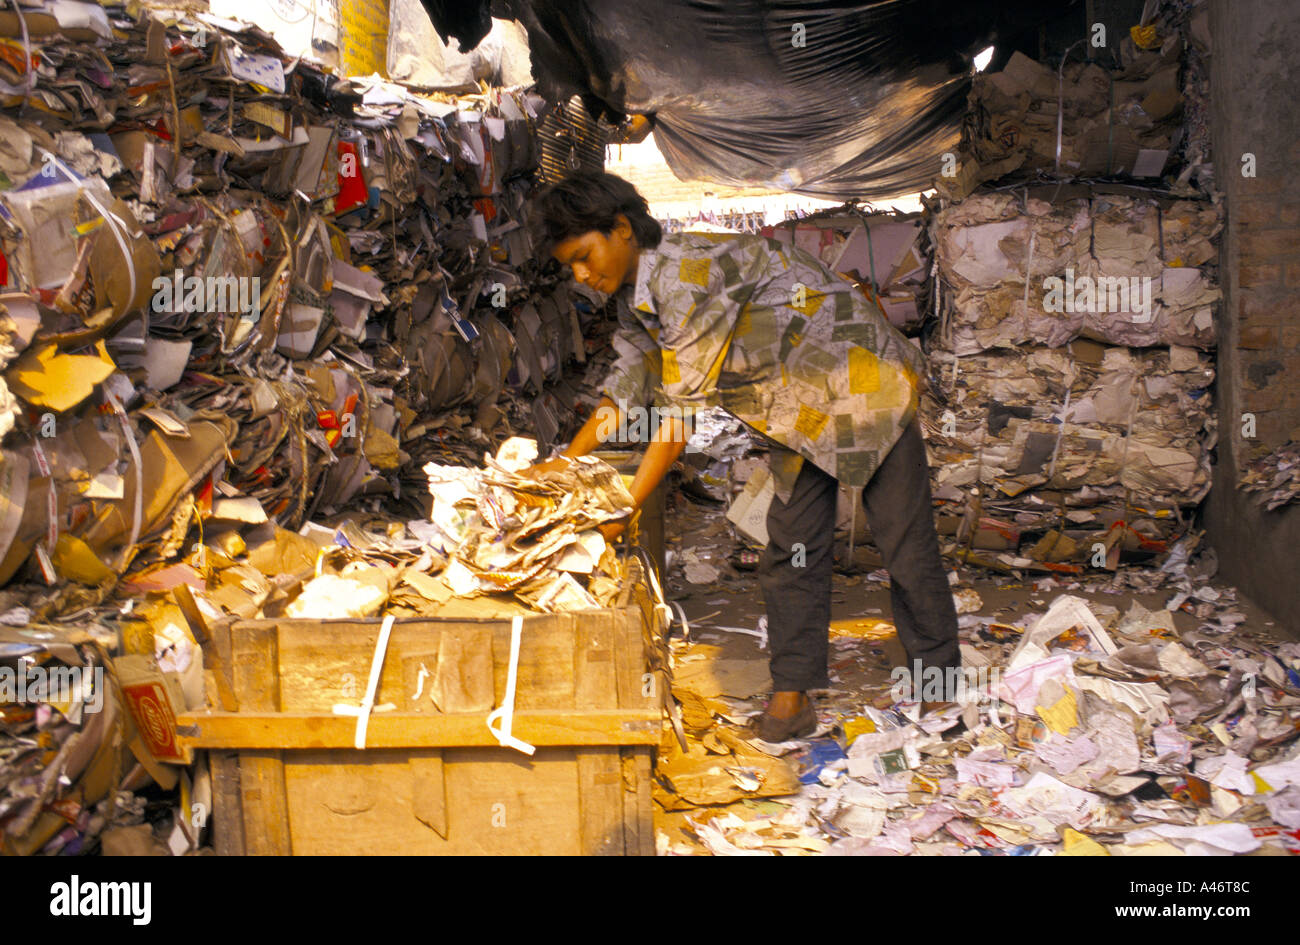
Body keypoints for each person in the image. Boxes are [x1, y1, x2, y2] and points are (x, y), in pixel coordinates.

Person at [532, 171, 960, 741]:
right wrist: (566, 463)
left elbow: (679, 413)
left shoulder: (686, 276)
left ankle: (938, 687)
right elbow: (628, 383)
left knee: (905, 546)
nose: (582, 275)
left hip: (862, 384)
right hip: (799, 411)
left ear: (622, 230)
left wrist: (624, 507)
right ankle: (793, 697)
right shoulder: (637, 300)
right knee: (793, 551)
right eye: (571, 267)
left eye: (585, 256)